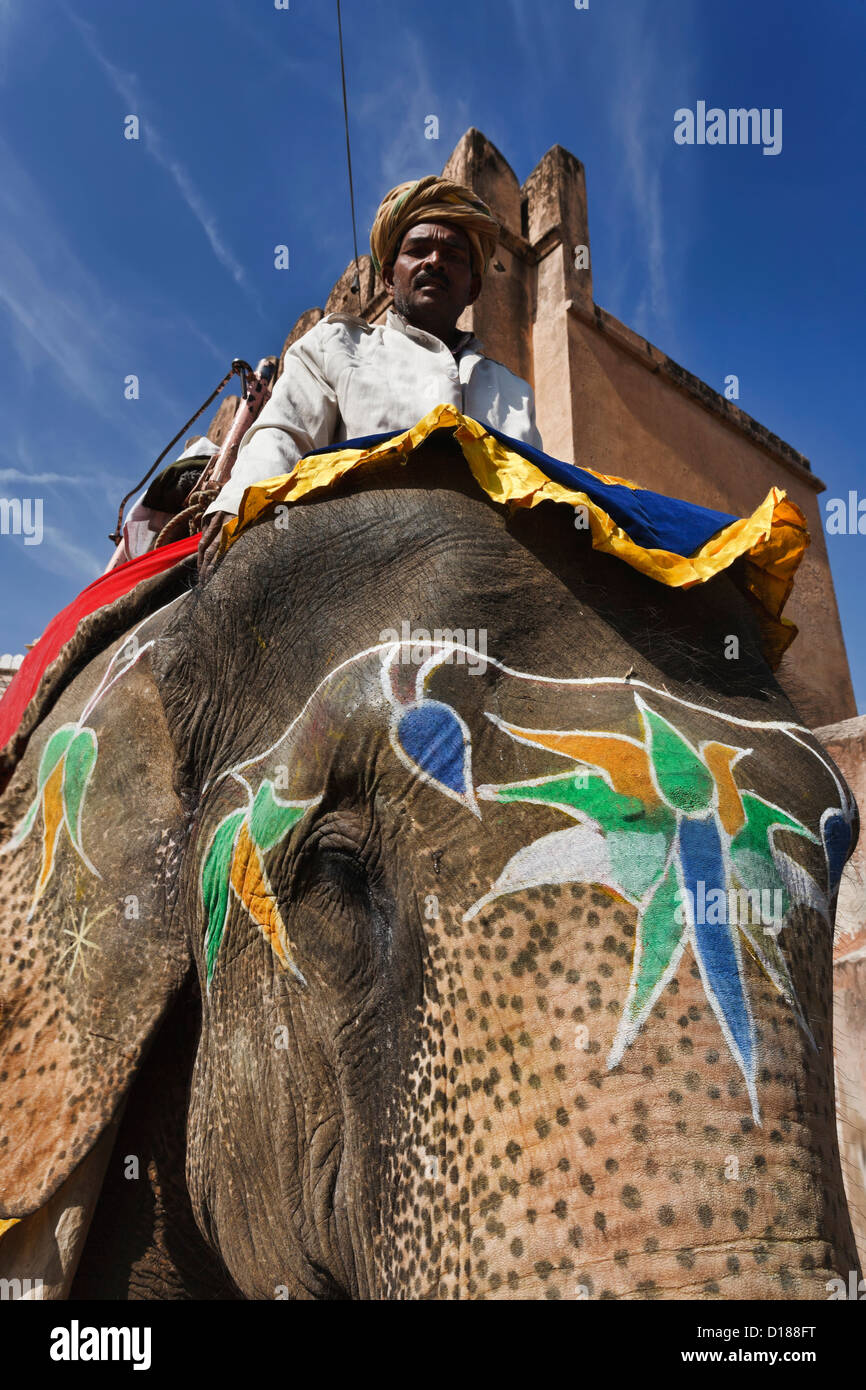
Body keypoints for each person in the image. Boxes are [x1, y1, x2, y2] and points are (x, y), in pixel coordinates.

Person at [198, 175, 543, 577]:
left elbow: (536, 490)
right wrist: (241, 506)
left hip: (486, 567)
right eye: (418, 250)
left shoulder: (512, 391)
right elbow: (285, 433)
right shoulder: (337, 344)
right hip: (354, 559)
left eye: (453, 255)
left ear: (473, 288)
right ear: (388, 275)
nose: (435, 261)